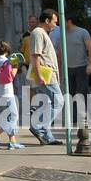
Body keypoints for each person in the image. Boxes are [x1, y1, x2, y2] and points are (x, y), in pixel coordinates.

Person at [28, 10, 63, 146]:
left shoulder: (43, 33)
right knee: (58, 101)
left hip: (48, 74)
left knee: (48, 104)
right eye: (54, 21)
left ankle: (47, 136)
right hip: (45, 75)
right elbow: (35, 55)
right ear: (47, 21)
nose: (55, 25)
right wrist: (39, 75)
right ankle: (37, 126)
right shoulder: (38, 33)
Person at [50, 15, 91, 122]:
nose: (61, 24)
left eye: (63, 21)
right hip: (68, 68)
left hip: (81, 67)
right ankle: (75, 116)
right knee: (70, 93)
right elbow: (60, 54)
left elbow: (90, 49)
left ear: (69, 21)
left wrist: (90, 64)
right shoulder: (62, 35)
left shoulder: (82, 32)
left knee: (81, 92)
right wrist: (59, 71)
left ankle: (86, 115)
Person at [0, 41, 25, 150]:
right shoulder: (8, 61)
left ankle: (12, 141)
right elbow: (11, 76)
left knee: (8, 117)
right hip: (7, 92)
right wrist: (16, 66)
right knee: (14, 116)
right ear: (7, 50)